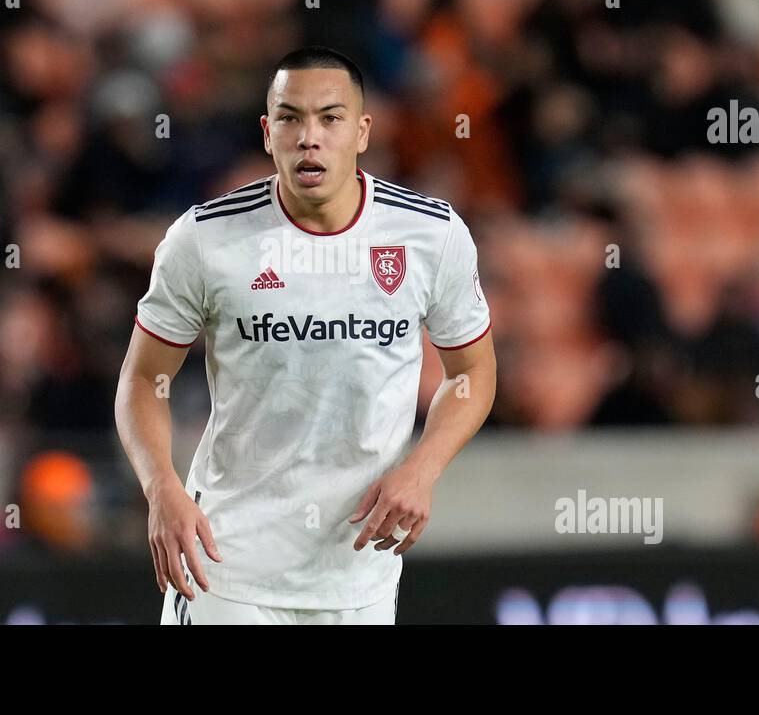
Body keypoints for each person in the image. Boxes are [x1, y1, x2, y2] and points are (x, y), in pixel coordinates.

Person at [114, 46, 496, 624]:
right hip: (227, 565)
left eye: (330, 118)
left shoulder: (431, 235)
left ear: (363, 131)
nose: (308, 136)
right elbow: (144, 377)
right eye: (290, 118)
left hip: (358, 575)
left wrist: (424, 468)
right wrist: (160, 486)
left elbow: (472, 373)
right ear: (268, 133)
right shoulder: (205, 240)